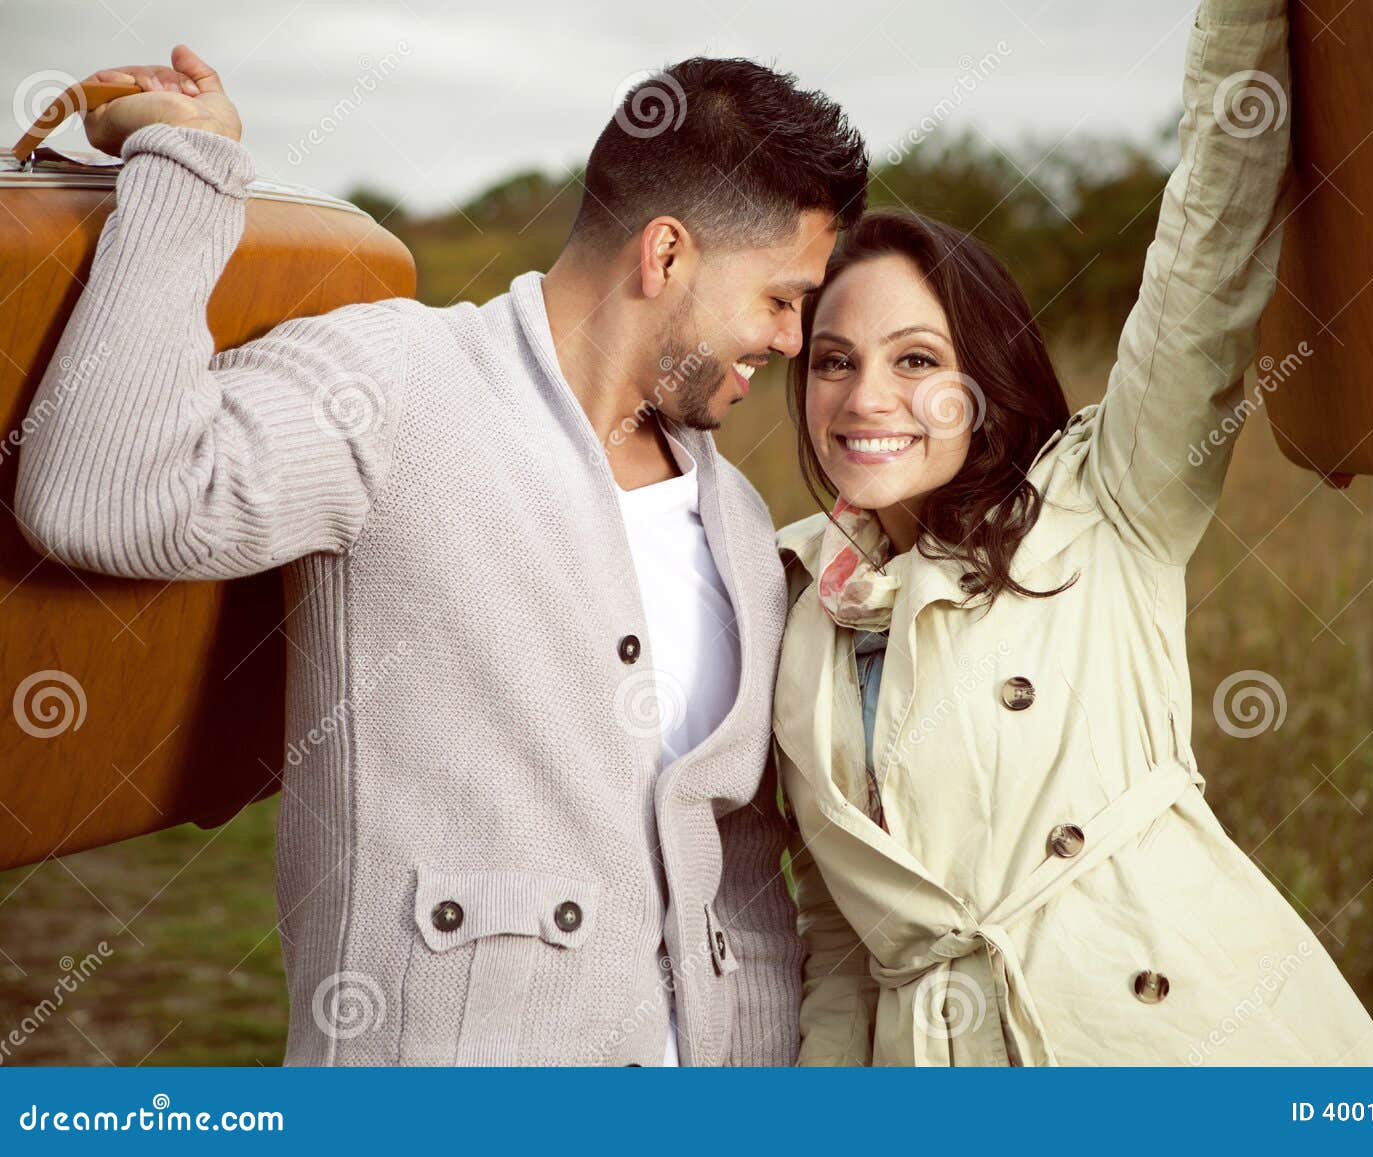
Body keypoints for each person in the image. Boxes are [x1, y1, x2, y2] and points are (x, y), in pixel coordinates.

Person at [14, 45, 867, 1065]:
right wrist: (191, 168)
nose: (791, 336)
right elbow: (101, 494)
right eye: (781, 295)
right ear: (667, 255)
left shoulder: (732, 512)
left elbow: (735, 872)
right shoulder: (390, 387)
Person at [771, 0, 1373, 1065]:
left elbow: (1208, 248)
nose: (863, 395)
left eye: (916, 359)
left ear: (985, 378)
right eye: (833, 360)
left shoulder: (1104, 504)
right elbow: (842, 934)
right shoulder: (799, 602)